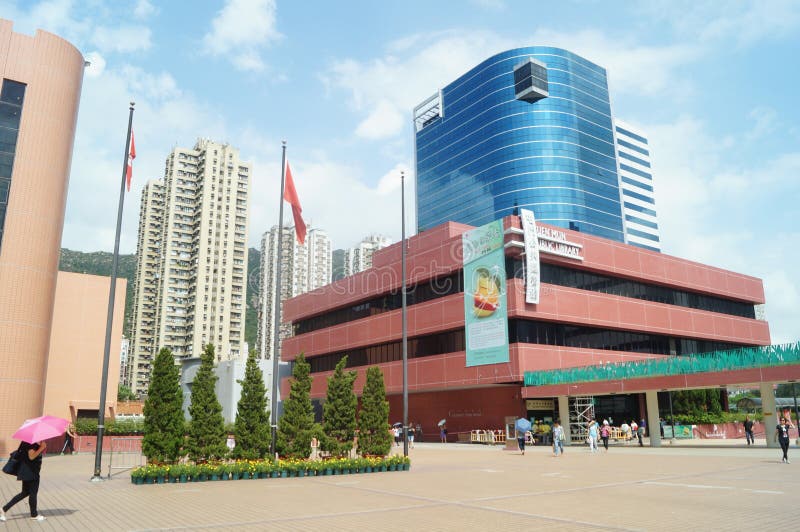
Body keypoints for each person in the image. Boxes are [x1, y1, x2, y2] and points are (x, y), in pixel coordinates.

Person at [1, 440, 47, 522]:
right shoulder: (30, 442)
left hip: (28, 471)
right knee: (33, 493)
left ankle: (4, 509)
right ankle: (34, 515)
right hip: (31, 472)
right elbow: (31, 456)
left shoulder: (29, 442)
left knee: (25, 493)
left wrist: (40, 446)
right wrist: (41, 447)